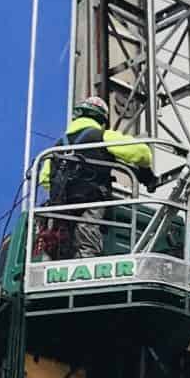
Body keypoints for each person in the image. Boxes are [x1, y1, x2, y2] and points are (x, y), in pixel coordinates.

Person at [37, 94, 157, 256]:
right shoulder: (101, 136)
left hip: (61, 206)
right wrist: (146, 173)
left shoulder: (57, 147)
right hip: (91, 201)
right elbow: (142, 152)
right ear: (101, 120)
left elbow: (44, 179)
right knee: (87, 244)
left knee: (61, 245)